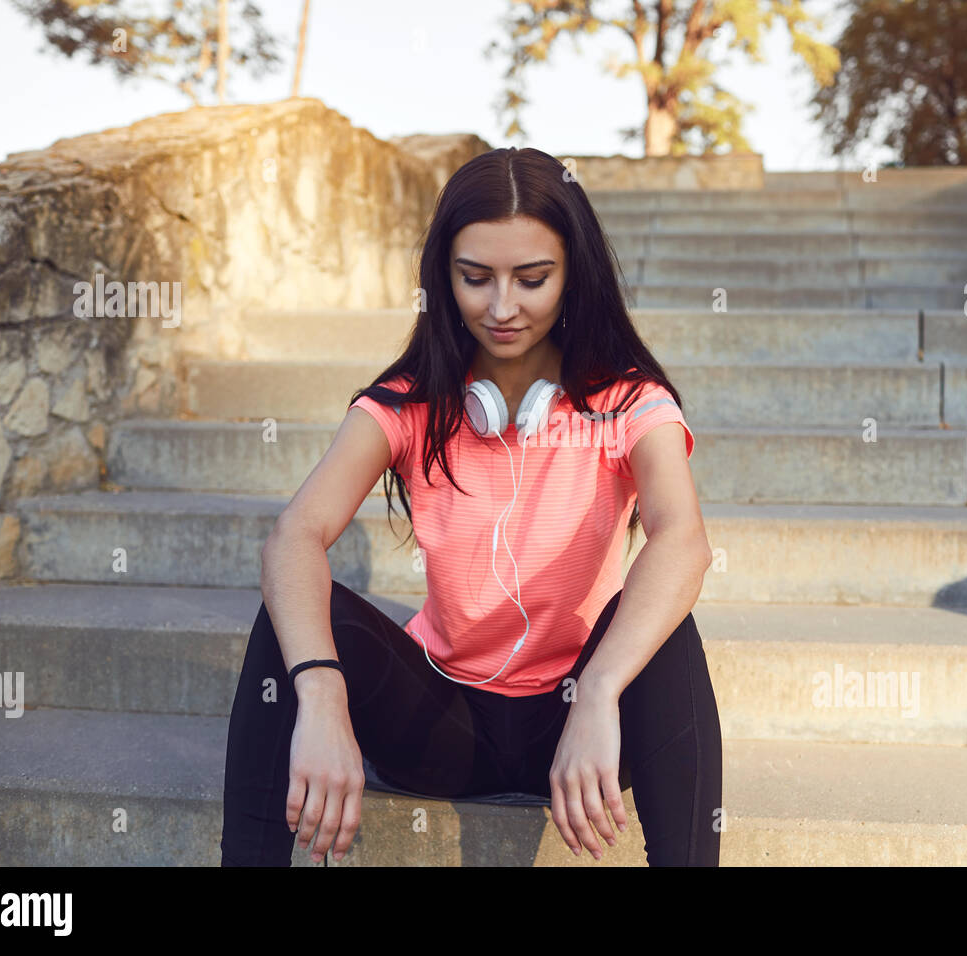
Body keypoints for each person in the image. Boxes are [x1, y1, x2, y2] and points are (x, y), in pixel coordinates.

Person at [219, 146, 723, 867]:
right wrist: (322, 696)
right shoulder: (407, 402)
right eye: (475, 278)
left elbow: (684, 539)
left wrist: (600, 691)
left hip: (578, 722)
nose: (503, 306)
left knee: (666, 623)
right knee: (293, 616)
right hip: (443, 725)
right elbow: (294, 535)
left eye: (533, 278)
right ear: (443, 275)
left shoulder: (629, 399)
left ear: (573, 275)